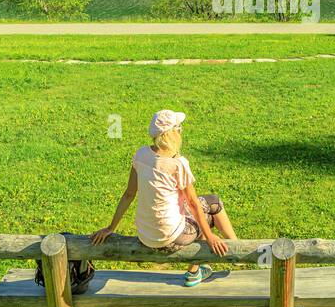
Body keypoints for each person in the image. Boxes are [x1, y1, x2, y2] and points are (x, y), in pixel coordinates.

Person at [90, 109, 238, 286]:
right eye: (178, 128)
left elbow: (129, 194)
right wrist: (210, 236)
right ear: (170, 134)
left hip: (146, 236)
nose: (180, 132)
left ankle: (202, 266)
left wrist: (110, 227)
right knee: (213, 203)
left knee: (198, 209)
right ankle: (232, 254)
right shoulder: (177, 164)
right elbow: (192, 203)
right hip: (171, 239)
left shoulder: (141, 155)